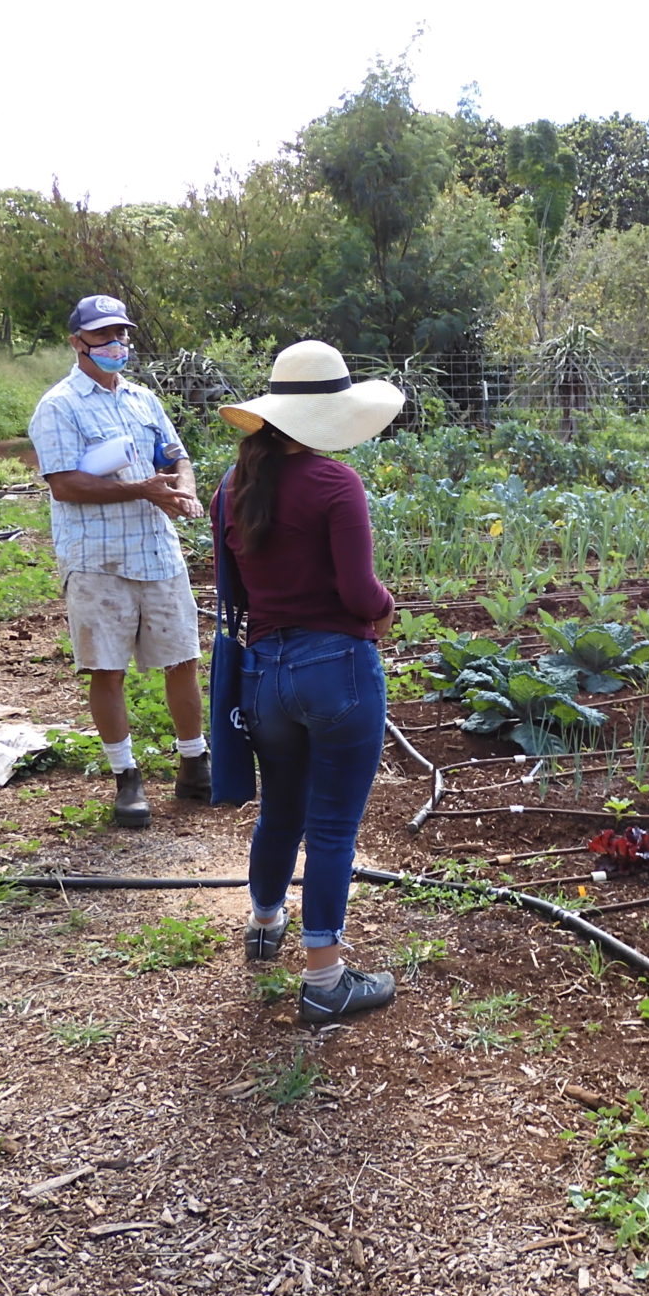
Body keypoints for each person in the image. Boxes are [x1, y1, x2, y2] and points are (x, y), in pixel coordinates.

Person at [213, 339, 403, 1023]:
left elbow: (232, 594)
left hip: (263, 675)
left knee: (281, 810)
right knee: (331, 827)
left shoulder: (233, 489)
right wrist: (385, 611)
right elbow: (358, 592)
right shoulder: (334, 485)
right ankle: (325, 981)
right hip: (337, 674)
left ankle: (265, 921)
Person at [27, 295, 210, 827]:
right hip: (97, 560)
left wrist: (185, 491)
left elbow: (176, 456)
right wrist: (143, 492)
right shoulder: (58, 406)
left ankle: (194, 763)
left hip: (157, 552)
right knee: (106, 669)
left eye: (122, 336)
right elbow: (65, 485)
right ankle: (126, 777)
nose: (116, 346)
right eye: (104, 336)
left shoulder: (141, 399)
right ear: (77, 342)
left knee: (183, 659)